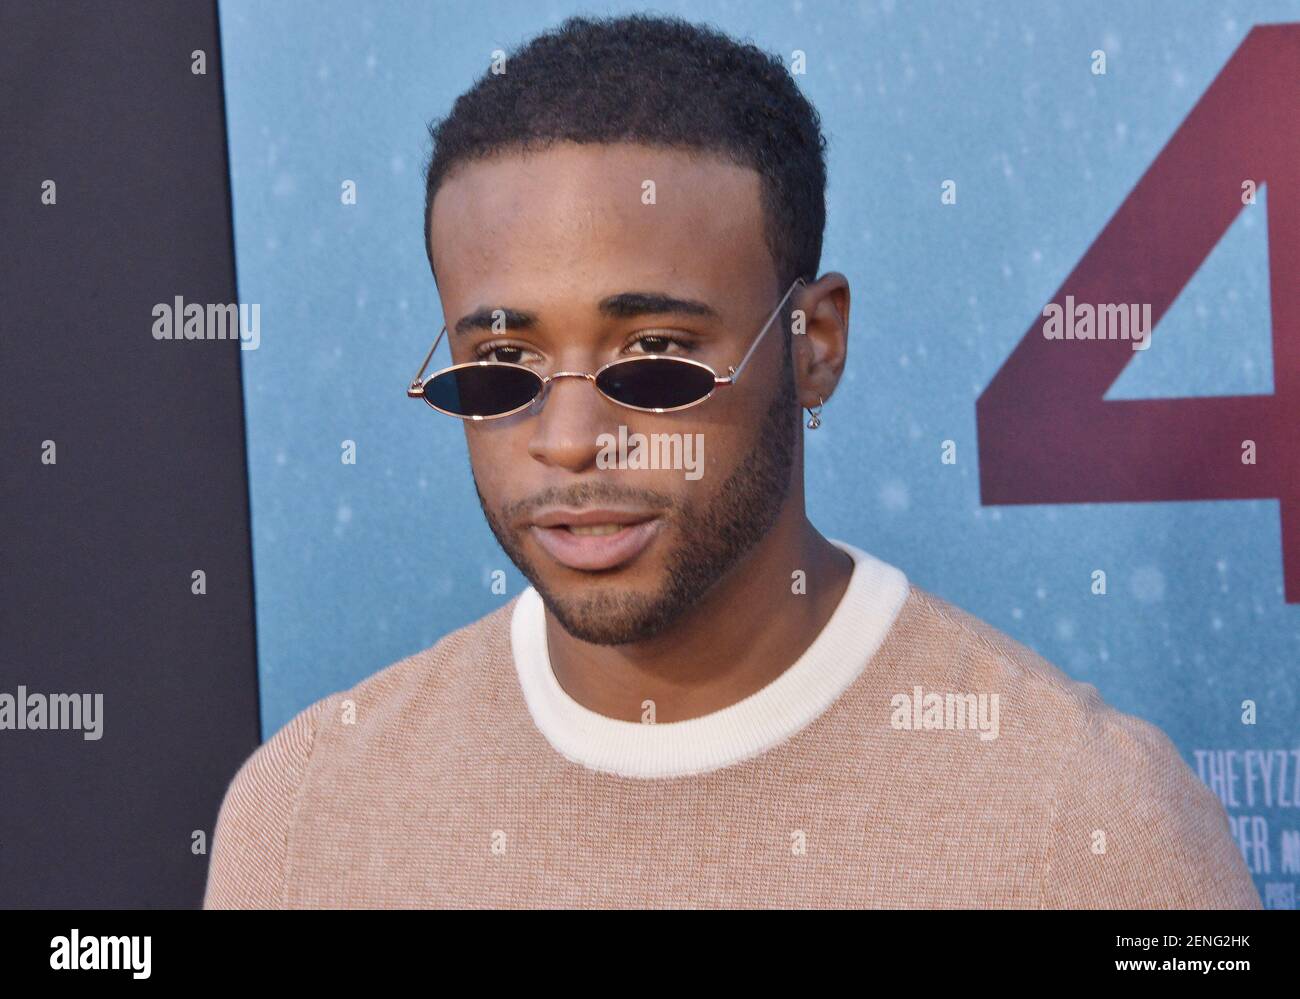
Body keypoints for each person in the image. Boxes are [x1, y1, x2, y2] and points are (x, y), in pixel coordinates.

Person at [204, 13, 1260, 909]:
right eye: (501, 365)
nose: (570, 440)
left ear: (814, 344)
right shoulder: (307, 819)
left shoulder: (1093, 829)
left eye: (655, 359)